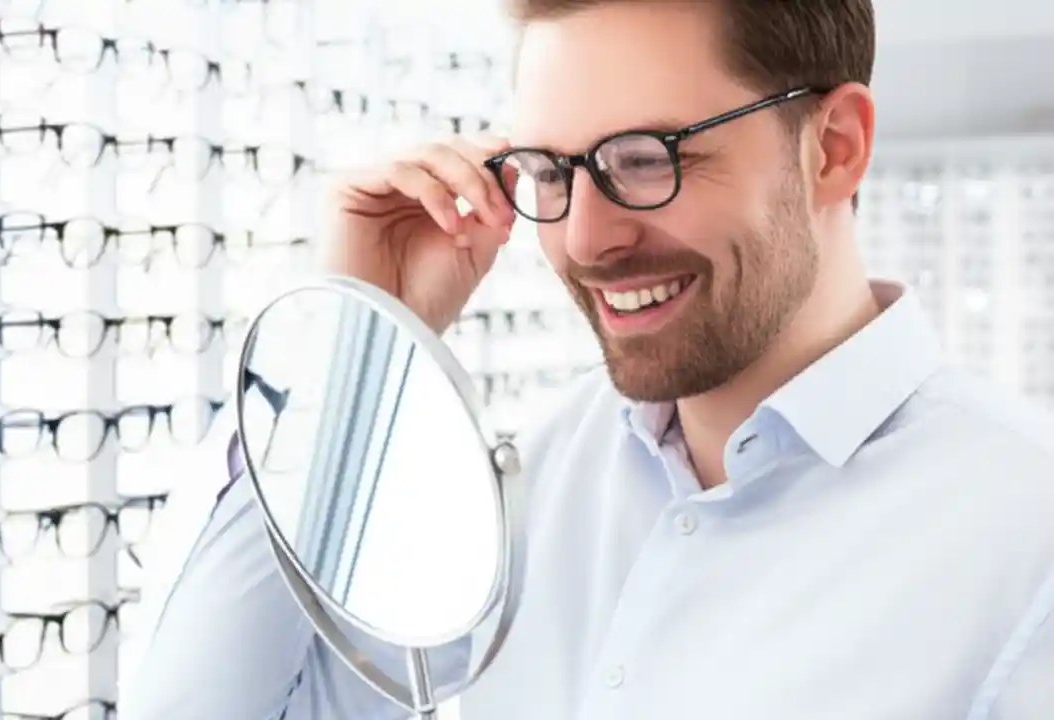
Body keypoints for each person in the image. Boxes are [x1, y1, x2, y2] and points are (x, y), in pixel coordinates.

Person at [120, 1, 1054, 717]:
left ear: (835, 150)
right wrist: (352, 349)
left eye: (647, 159)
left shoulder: (1026, 544)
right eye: (551, 172)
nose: (587, 239)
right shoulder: (534, 477)